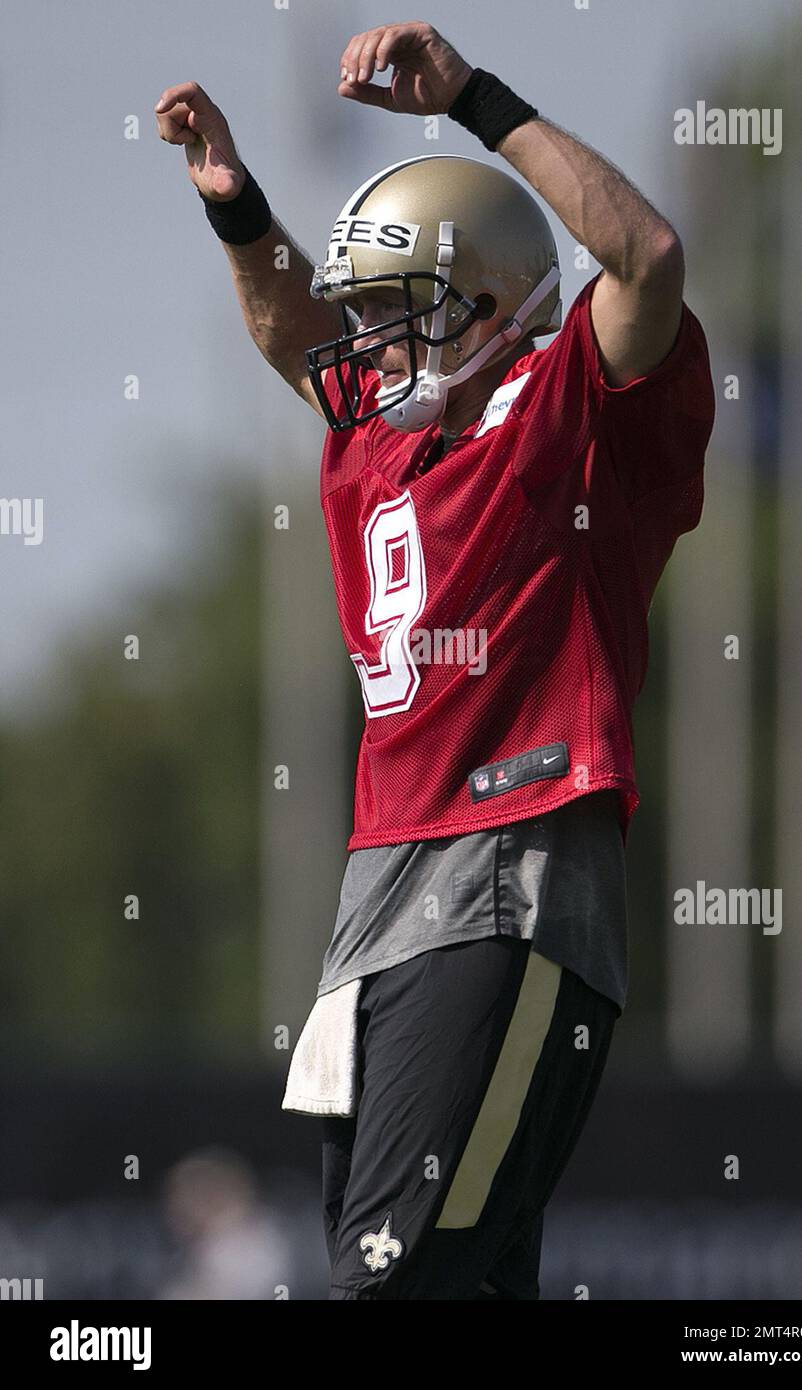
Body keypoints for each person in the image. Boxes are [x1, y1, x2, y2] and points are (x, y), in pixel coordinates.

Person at [155, 19, 715, 1300]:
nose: (365, 343)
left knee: (391, 1286)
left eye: (393, 313)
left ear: (489, 303)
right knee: (453, 1282)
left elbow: (644, 256)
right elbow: (286, 326)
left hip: (509, 875)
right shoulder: (374, 445)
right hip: (380, 904)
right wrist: (237, 205)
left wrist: (468, 97)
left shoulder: (565, 414)